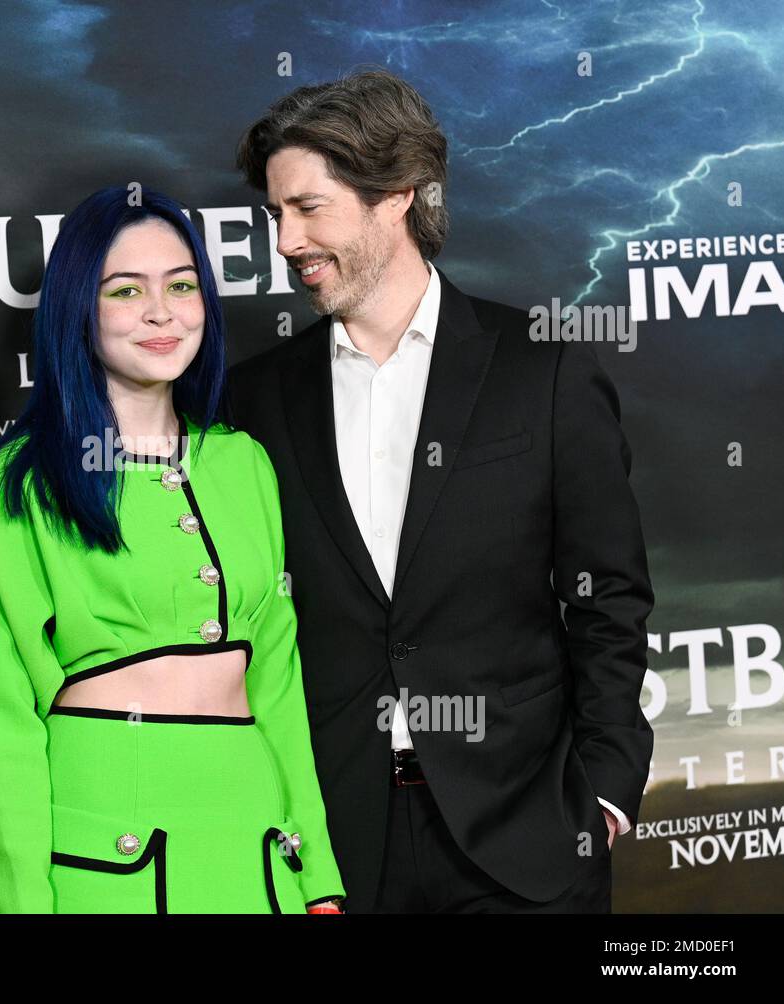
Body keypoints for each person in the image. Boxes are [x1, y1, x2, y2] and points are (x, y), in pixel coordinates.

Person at [227, 69, 655, 913]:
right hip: (340, 847)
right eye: (275, 214)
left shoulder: (544, 365)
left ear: (397, 196)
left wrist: (603, 791)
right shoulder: (255, 399)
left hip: (525, 834)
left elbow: (609, 595)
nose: (285, 242)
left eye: (309, 208)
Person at [0, 185, 344, 913]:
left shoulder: (243, 463)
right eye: (126, 290)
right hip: (108, 848)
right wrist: (23, 903)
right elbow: (4, 723)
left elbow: (279, 683)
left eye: (182, 286)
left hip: (254, 837)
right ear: (79, 308)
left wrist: (315, 871)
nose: (162, 312)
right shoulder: (24, 480)